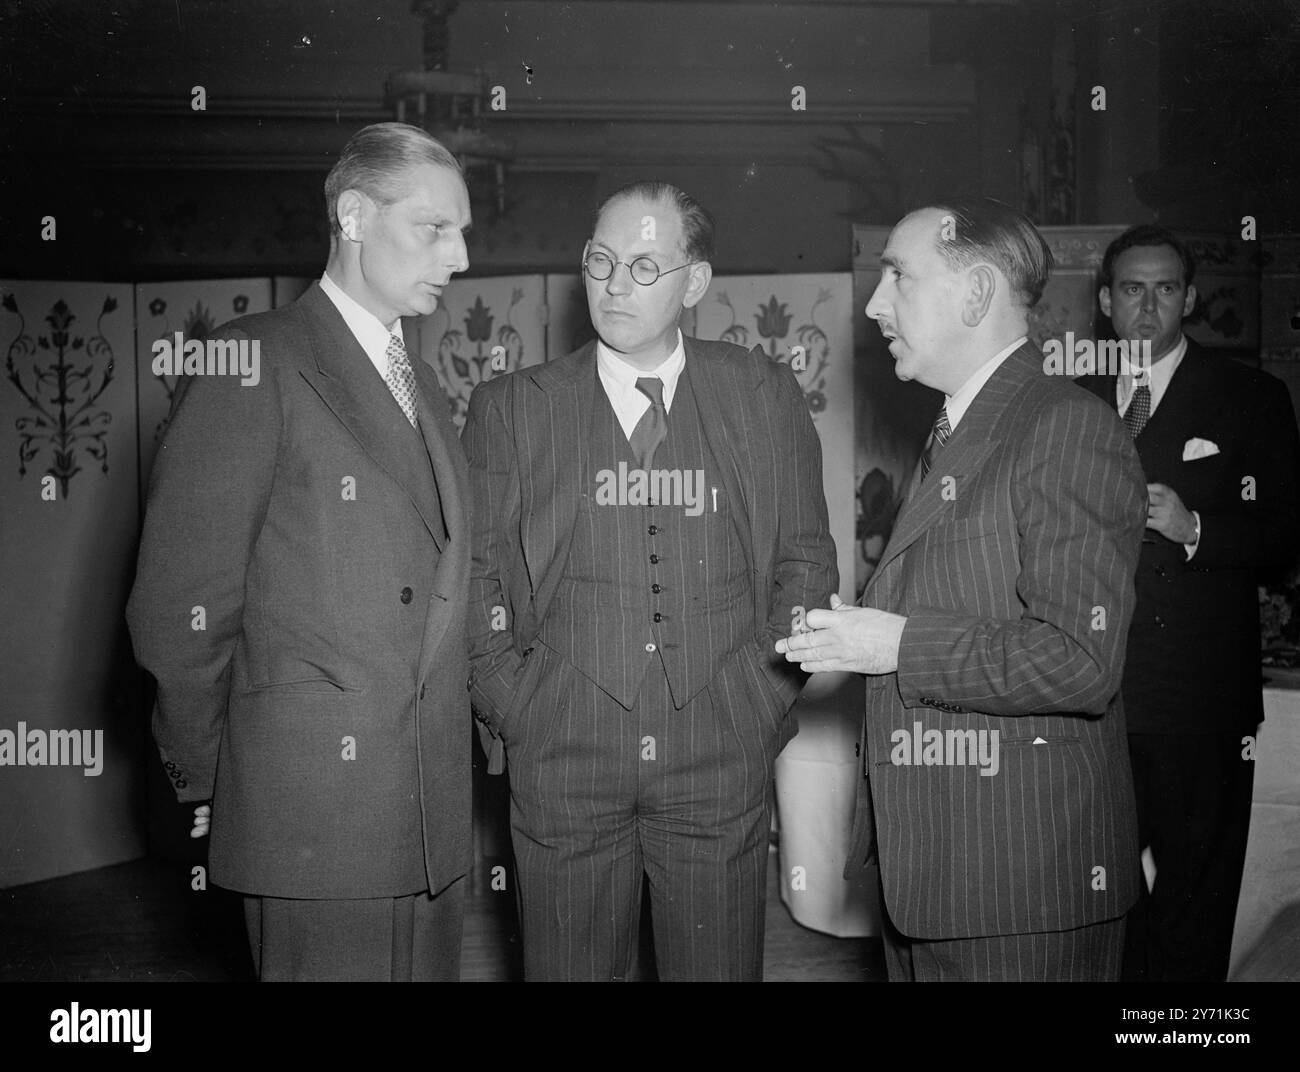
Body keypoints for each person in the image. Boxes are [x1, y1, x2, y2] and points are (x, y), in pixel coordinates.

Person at [463, 181, 837, 981]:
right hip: (561, 745)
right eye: (600, 261)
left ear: (694, 284)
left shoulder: (761, 395)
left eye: (643, 266)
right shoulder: (512, 410)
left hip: (719, 740)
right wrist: (517, 704)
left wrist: (759, 695)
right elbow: (474, 577)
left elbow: (805, 559)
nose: (613, 285)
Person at [126, 122, 473, 981]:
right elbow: (181, 606)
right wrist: (215, 783)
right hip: (312, 814)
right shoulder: (255, 360)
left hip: (428, 816)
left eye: (463, 231)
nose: (460, 257)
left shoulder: (419, 377)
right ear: (354, 215)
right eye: (436, 228)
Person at [777, 199, 1146, 981]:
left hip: (1019, 890)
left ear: (977, 295)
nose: (875, 305)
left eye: (898, 277)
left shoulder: (1063, 429)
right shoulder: (958, 432)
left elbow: (1081, 657)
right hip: (937, 877)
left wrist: (896, 643)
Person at [1077, 225, 1300, 981]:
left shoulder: (1252, 398)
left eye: (1166, 288)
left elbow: (1285, 541)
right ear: (1106, 302)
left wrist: (1195, 526)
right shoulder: (1064, 401)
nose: (1149, 306)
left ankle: (1181, 1034)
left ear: (1192, 298)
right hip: (1090, 691)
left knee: (1196, 898)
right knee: (1093, 890)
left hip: (1203, 699)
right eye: (1132, 289)